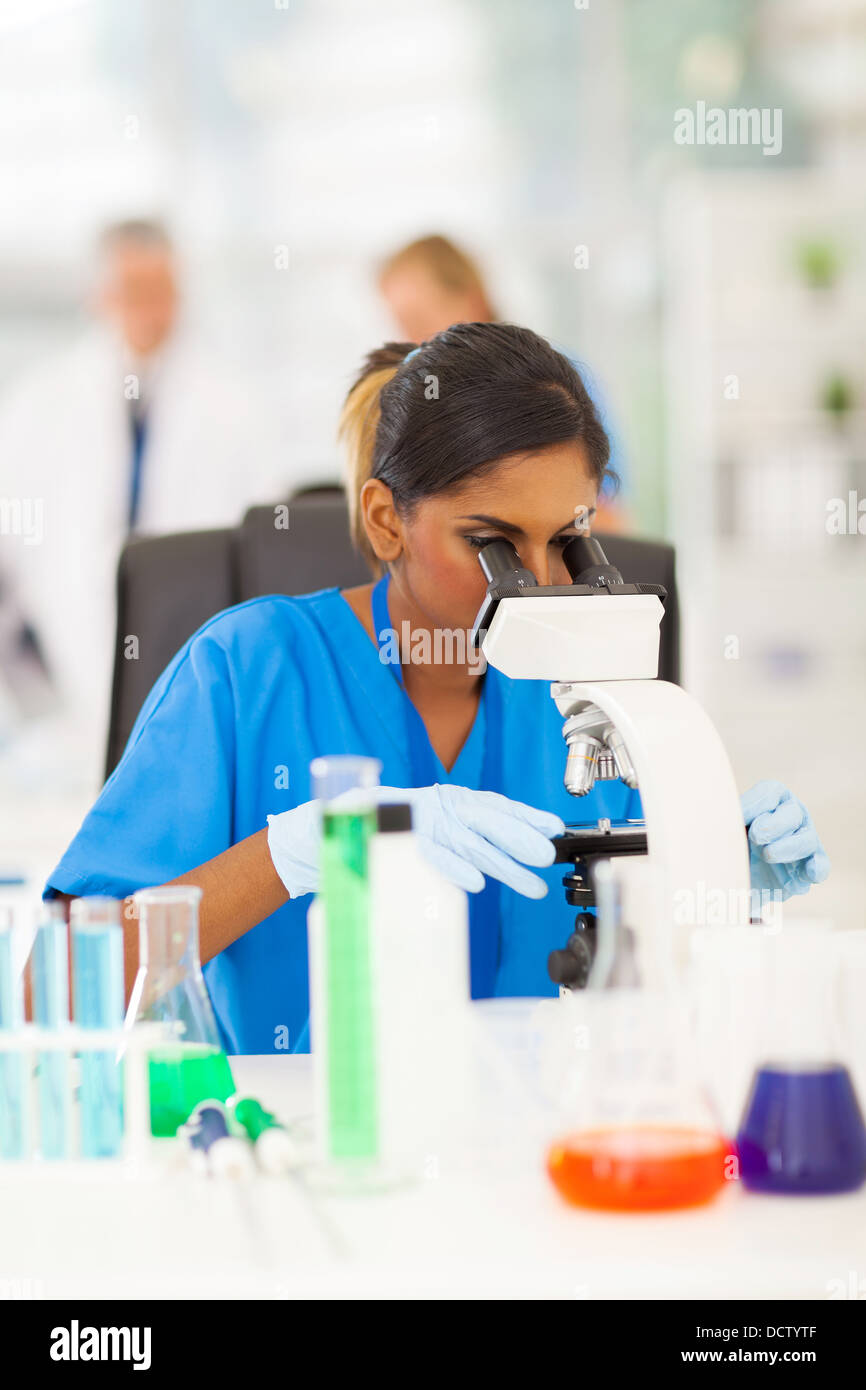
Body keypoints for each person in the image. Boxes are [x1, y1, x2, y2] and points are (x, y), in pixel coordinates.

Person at [43, 324, 829, 1055]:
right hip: (309, 1150)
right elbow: (61, 993)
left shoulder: (594, 694)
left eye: (566, 543)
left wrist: (723, 889)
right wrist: (297, 851)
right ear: (387, 521)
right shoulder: (247, 671)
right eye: (492, 545)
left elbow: (663, 1002)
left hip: (539, 1146)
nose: (540, 584)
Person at [0, 219, 290, 782]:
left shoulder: (233, 407)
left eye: (162, 290)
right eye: (133, 290)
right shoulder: (38, 404)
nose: (149, 307)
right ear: (100, 295)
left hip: (196, 666)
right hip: (64, 694)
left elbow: (266, 550)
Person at [377, 234, 632, 533]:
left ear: (473, 301)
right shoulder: (421, 397)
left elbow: (612, 519)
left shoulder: (557, 383)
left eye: (418, 321)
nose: (408, 343)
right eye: (400, 325)